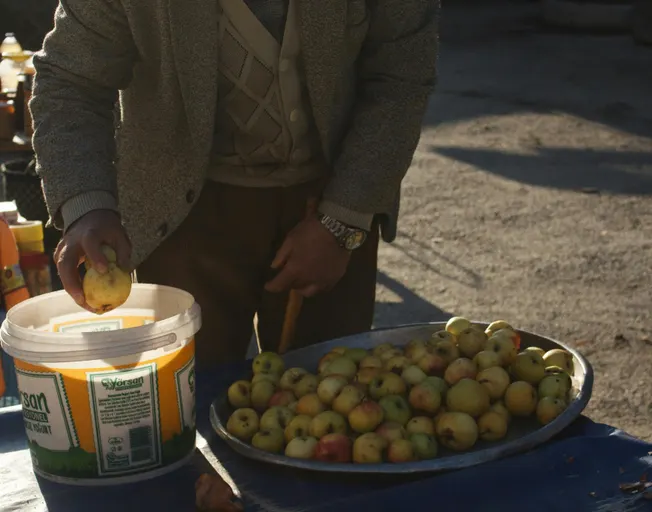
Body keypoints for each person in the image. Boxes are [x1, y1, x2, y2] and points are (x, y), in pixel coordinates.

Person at [31, 0, 439, 368]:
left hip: (331, 197)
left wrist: (344, 219)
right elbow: (71, 78)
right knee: (192, 401)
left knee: (336, 394)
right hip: (185, 217)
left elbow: (402, 71)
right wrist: (86, 206)